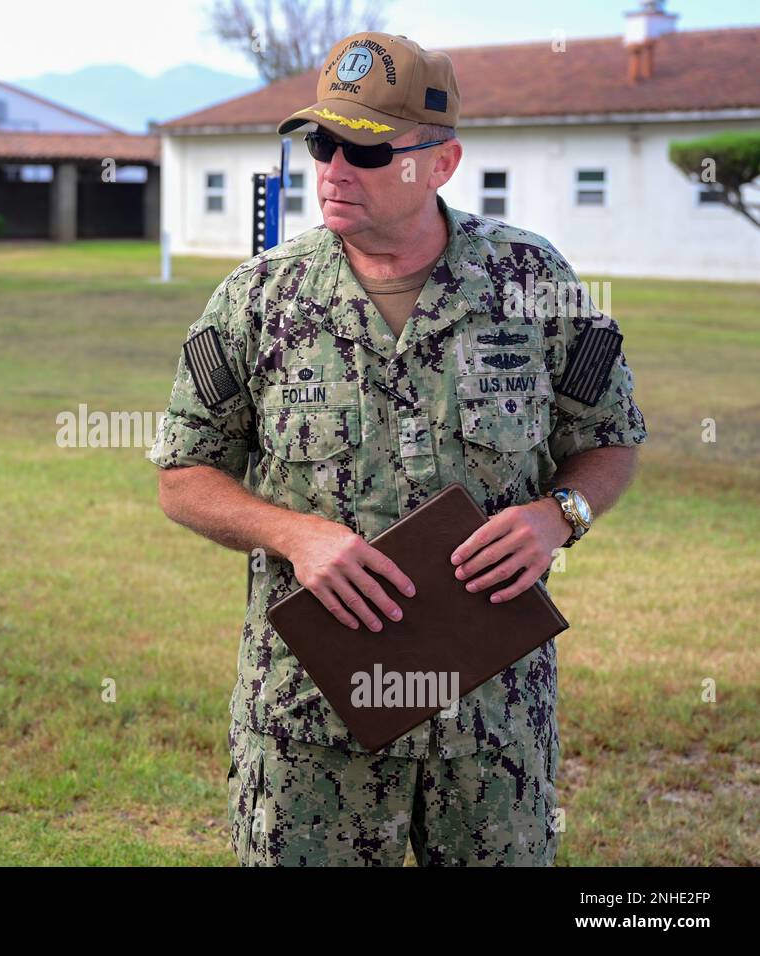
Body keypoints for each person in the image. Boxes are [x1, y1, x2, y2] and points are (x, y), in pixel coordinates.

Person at [149, 31, 647, 866]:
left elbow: (610, 440)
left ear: (442, 162)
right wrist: (294, 535)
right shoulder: (259, 299)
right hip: (312, 725)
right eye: (323, 143)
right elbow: (181, 475)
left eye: (367, 150)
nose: (336, 169)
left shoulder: (532, 281)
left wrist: (561, 515)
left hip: (491, 722)